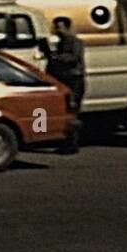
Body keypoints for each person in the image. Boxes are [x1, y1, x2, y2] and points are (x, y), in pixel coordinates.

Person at [42, 16, 85, 154]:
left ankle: (72, 143)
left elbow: (73, 58)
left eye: (59, 27)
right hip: (64, 81)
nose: (56, 30)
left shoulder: (74, 42)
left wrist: (54, 57)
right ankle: (66, 141)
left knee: (71, 112)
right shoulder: (60, 43)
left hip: (73, 81)